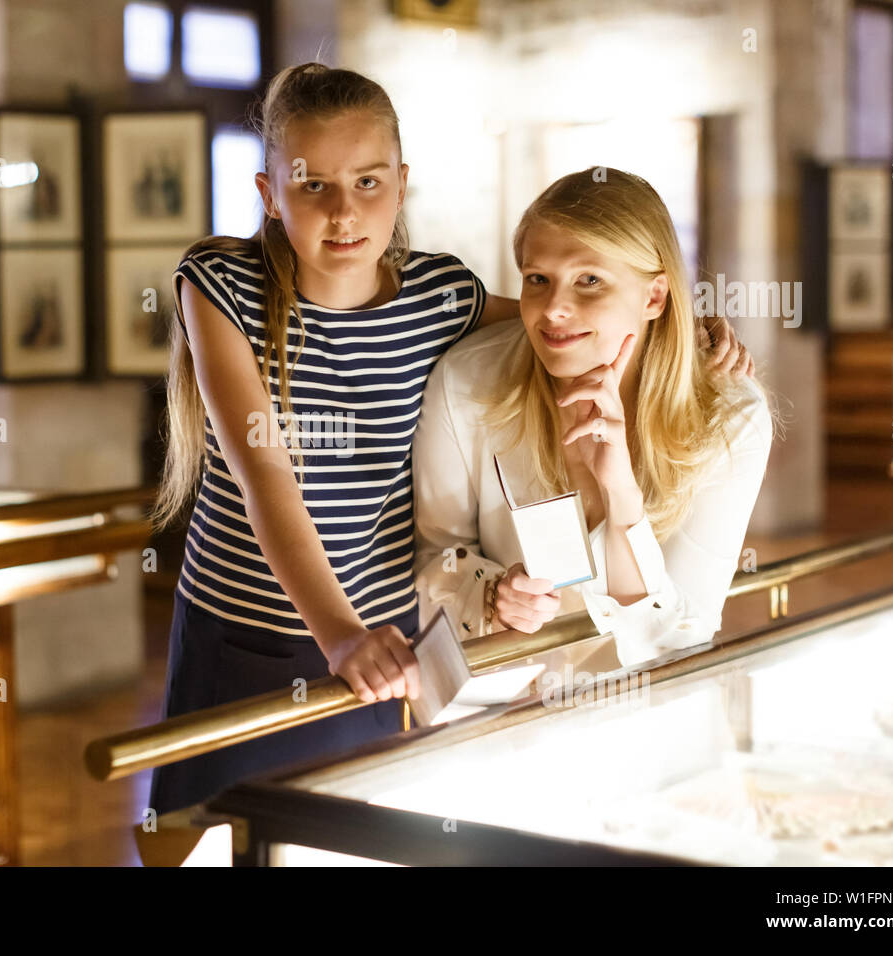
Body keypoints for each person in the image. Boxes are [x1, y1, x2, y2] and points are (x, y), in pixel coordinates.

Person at [149, 65, 752, 816]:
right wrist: (338, 637)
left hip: (384, 638)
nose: (344, 213)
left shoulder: (441, 294)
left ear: (402, 184)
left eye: (368, 182)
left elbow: (555, 316)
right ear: (270, 194)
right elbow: (263, 472)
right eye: (313, 186)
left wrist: (687, 333)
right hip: (252, 633)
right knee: (215, 830)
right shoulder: (220, 283)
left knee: (346, 835)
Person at [414, 167, 774, 677]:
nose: (554, 309)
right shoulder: (466, 382)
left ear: (653, 297)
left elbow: (677, 642)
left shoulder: (731, 417)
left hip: (643, 721)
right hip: (498, 715)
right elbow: (435, 556)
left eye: (589, 280)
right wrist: (490, 595)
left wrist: (620, 494)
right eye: (538, 279)